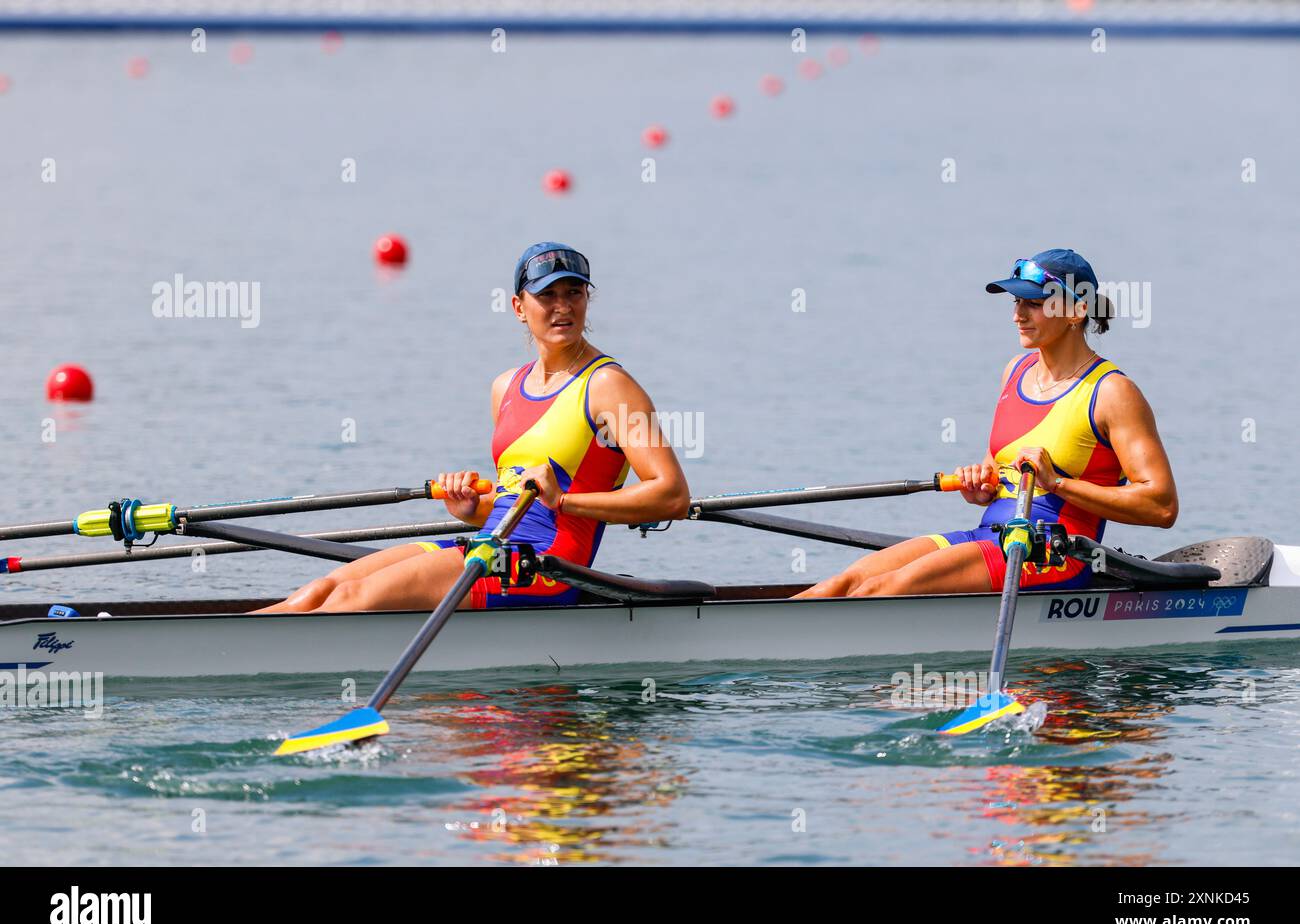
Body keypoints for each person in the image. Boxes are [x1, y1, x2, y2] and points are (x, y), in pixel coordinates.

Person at [256, 242, 690, 613]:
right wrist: (471, 509)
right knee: (317, 592)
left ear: (587, 300)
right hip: (491, 545)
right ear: (519, 307)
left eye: (574, 293)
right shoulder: (506, 387)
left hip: (542, 566)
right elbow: (513, 501)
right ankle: (211, 655)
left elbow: (670, 495)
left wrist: (566, 501)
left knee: (353, 598)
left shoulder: (611, 386)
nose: (563, 306)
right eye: (547, 295)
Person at [794, 248, 1178, 600]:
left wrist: (1057, 483)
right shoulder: (1015, 371)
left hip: (1048, 553)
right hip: (988, 536)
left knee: (880, 590)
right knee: (839, 586)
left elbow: (1160, 507)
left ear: (1076, 311)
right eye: (1016, 302)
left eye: (1034, 303)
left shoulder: (1112, 392)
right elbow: (998, 467)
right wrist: (982, 481)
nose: (1017, 315)